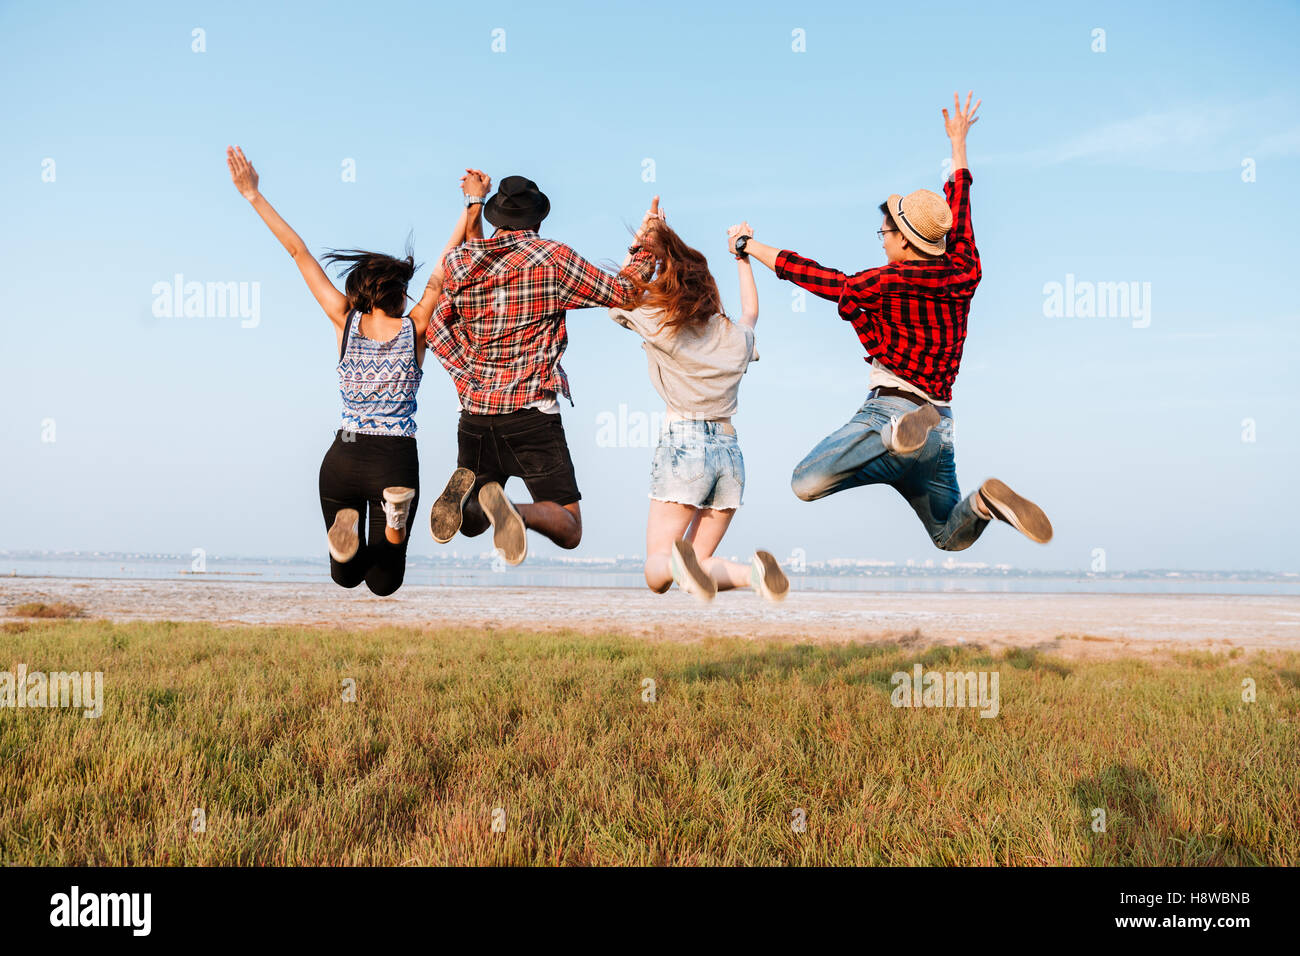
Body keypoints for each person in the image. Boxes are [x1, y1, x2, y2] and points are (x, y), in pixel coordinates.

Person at [727, 92, 1053, 550]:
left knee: (804, 483)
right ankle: (982, 504)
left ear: (904, 240)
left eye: (885, 232)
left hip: (892, 410)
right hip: (939, 423)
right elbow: (959, 206)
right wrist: (958, 145)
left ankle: (893, 437)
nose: (881, 240)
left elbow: (816, 276)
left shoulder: (887, 282)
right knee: (948, 535)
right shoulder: (964, 268)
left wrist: (747, 246)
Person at [226, 145, 488, 594]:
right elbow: (446, 269)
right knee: (385, 581)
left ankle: (343, 533)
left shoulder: (343, 321)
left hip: (343, 456)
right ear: (399, 294)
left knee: (346, 576)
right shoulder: (416, 326)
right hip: (396, 459)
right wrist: (472, 204)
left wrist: (252, 194)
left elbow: (297, 252)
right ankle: (394, 520)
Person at [425, 175, 659, 566]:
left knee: (470, 524)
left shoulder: (459, 262)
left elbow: (434, 326)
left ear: (496, 215)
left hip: (475, 417)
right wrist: (647, 243)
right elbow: (625, 293)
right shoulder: (552, 258)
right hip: (531, 417)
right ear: (537, 219)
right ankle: (515, 510)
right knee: (570, 528)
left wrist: (467, 377)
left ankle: (475, 501)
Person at [609, 204, 788, 602]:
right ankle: (752, 575)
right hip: (730, 456)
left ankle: (680, 564)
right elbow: (752, 313)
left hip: (685, 446)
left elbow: (618, 295)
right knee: (698, 563)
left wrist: (644, 241)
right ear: (710, 288)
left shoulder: (663, 325)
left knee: (657, 571)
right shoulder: (734, 338)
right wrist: (742, 258)